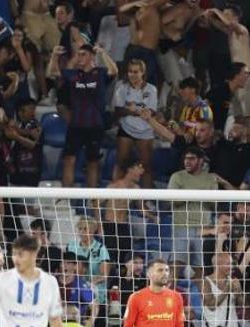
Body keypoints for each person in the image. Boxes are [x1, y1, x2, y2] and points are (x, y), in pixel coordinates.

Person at [47, 43, 118, 187]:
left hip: (94, 125)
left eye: (83, 54)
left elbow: (114, 71)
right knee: (69, 160)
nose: (79, 58)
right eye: (78, 54)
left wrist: (102, 53)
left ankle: (94, 204)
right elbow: (51, 73)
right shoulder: (73, 74)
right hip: (76, 125)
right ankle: (66, 199)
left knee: (92, 163)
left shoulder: (100, 73)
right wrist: (54, 56)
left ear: (91, 56)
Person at [168, 146, 233, 278]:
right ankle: (170, 298)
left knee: (200, 271)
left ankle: (199, 299)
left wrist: (186, 195)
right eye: (186, 158)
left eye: (191, 159)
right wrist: (200, 195)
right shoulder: (177, 176)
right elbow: (172, 201)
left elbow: (213, 203)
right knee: (176, 268)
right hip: (181, 228)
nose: (187, 162)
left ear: (201, 161)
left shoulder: (211, 178)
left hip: (204, 230)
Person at [112, 58, 158, 187]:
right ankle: (115, 197)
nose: (133, 75)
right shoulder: (122, 88)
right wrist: (137, 111)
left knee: (146, 166)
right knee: (120, 163)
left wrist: (131, 110)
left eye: (136, 72)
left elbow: (151, 112)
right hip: (126, 129)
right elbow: (118, 110)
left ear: (143, 72)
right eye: (130, 72)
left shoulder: (151, 89)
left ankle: (147, 201)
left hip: (145, 131)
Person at [119, 0, 166, 85]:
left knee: (148, 88)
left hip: (143, 51)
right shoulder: (147, 7)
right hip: (141, 52)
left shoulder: (148, 8)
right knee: (137, 87)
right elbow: (122, 10)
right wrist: (134, 4)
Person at [200, 252, 243, 327]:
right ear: (217, 265)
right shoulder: (206, 282)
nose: (231, 267)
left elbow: (241, 305)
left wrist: (238, 293)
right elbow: (211, 305)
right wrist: (227, 289)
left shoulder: (233, 281)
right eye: (228, 264)